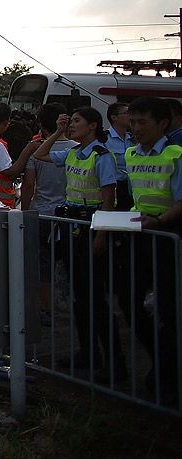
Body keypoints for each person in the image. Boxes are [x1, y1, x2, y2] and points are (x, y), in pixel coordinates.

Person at [33, 106, 122, 378]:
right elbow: (40, 153)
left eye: (76, 121)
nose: (71, 126)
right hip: (73, 227)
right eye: (69, 122)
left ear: (93, 125)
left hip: (92, 226)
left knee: (95, 297)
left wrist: (102, 233)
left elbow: (109, 198)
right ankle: (88, 351)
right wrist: (58, 131)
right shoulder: (73, 153)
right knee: (80, 296)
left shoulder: (101, 156)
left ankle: (114, 362)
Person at [118, 96, 182, 401]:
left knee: (170, 309)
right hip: (142, 235)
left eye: (143, 122)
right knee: (129, 300)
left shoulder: (176, 155)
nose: (136, 128)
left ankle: (167, 373)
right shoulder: (131, 153)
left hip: (169, 235)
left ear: (163, 124)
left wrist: (159, 221)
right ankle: (163, 362)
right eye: (132, 121)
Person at [21, 102, 76, 326]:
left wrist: (24, 213)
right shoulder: (77, 148)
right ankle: (74, 304)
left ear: (41, 124)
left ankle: (46, 308)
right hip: (68, 215)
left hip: (42, 213)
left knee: (42, 263)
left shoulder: (36, 150)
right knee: (71, 262)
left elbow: (28, 185)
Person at [104, 102, 134, 210]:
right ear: (114, 117)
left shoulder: (133, 139)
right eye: (126, 113)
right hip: (116, 187)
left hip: (132, 187)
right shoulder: (105, 139)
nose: (130, 116)